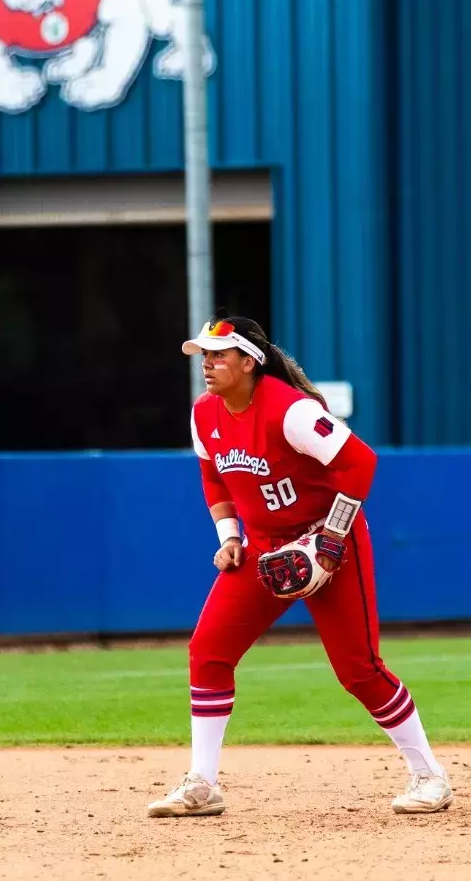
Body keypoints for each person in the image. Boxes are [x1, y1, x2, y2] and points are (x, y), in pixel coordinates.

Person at [148, 317, 453, 818]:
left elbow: (360, 462)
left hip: (332, 540)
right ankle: (202, 783)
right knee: (208, 650)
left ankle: (429, 776)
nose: (209, 363)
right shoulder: (205, 415)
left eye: (220, 354)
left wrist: (332, 537)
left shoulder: (290, 410)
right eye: (205, 354)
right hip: (264, 549)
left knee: (359, 670)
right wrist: (230, 538)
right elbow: (214, 481)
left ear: (250, 362)